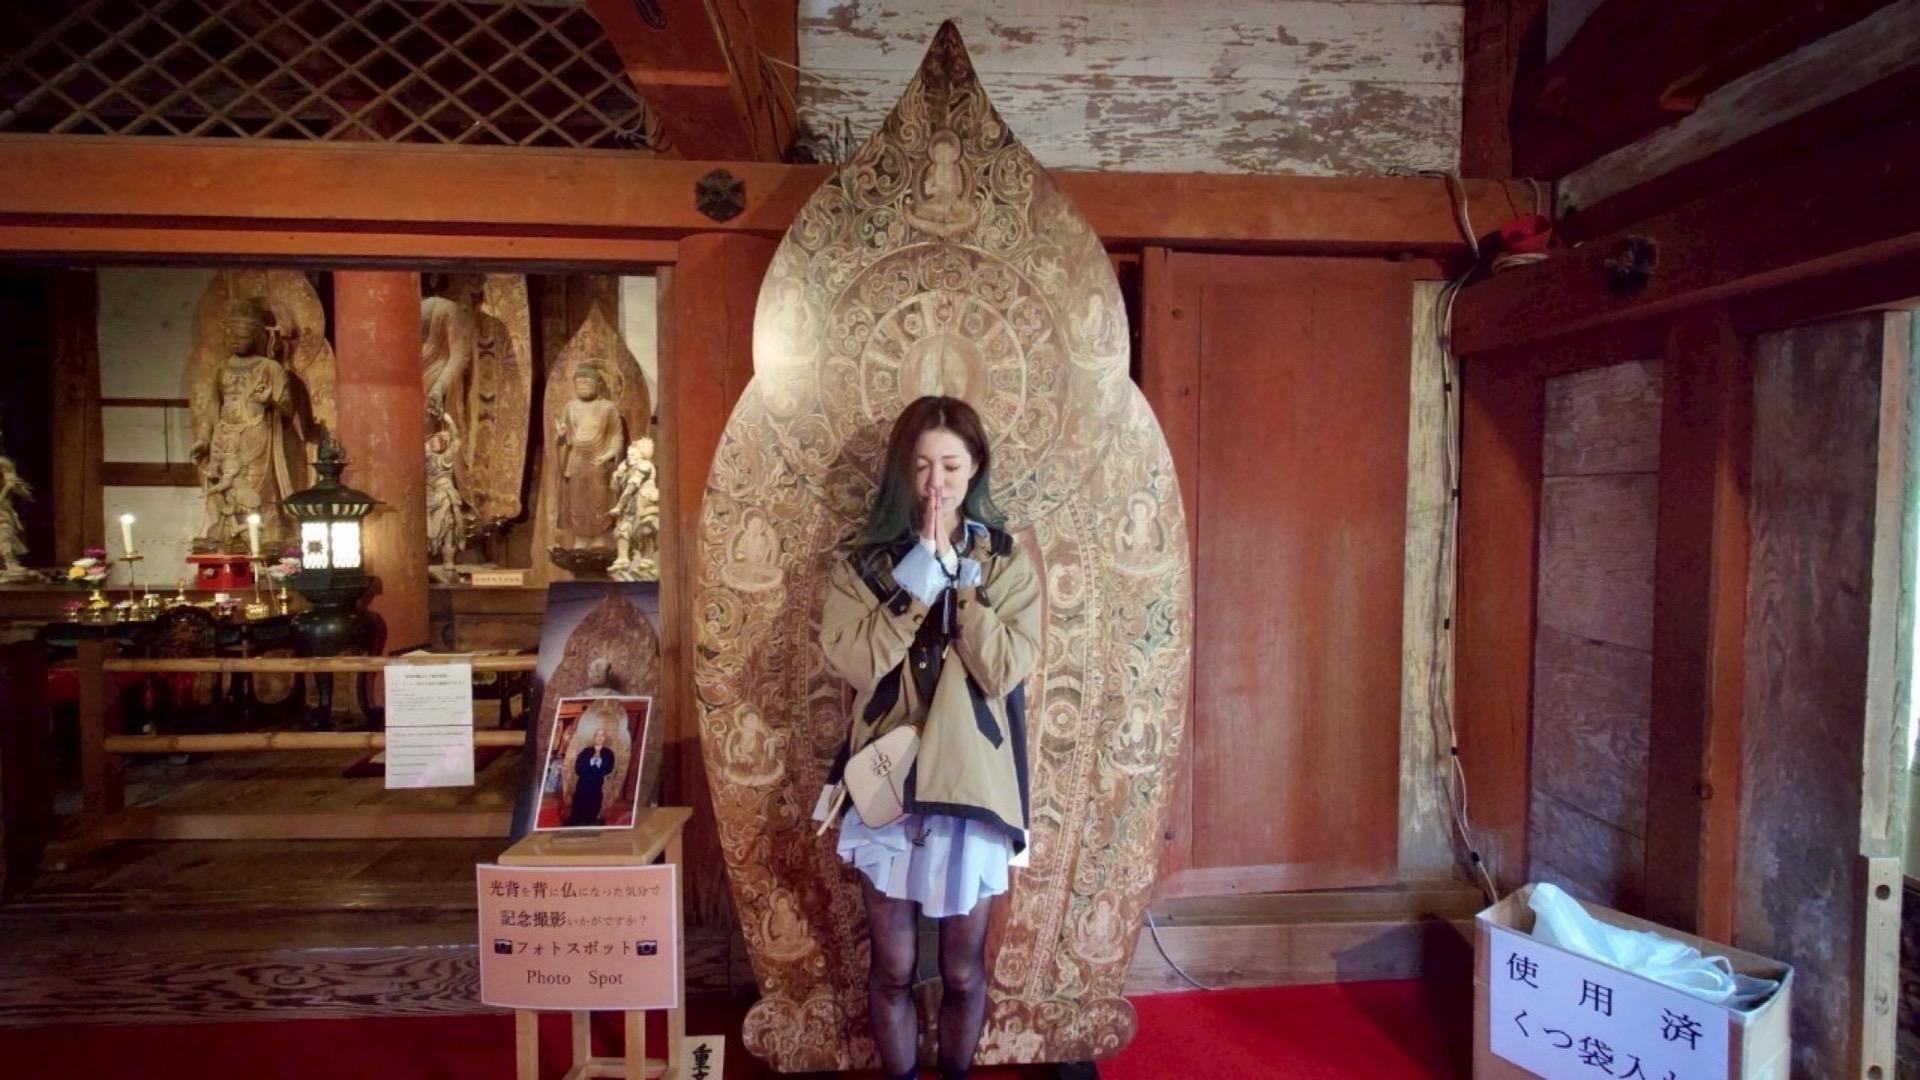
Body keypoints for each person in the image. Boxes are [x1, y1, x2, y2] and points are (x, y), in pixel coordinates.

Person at [817, 395, 1042, 1080]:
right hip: (886, 777)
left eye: (950, 464)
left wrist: (962, 589)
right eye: (920, 467)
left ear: (974, 469)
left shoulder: (1003, 561)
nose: (936, 483)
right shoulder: (863, 563)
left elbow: (1006, 666)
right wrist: (918, 581)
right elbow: (853, 661)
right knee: (892, 965)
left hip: (971, 780)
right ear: (900, 474)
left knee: (965, 968)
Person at [566, 727, 616, 827]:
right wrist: (591, 762)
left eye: (602, 735)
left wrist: (598, 763)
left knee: (593, 806)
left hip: (596, 785)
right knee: (578, 807)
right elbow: (578, 768)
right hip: (583, 785)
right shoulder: (585, 751)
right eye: (597, 735)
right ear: (594, 737)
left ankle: (589, 824)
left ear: (604, 738)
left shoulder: (609, 753)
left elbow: (608, 769)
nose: (599, 738)